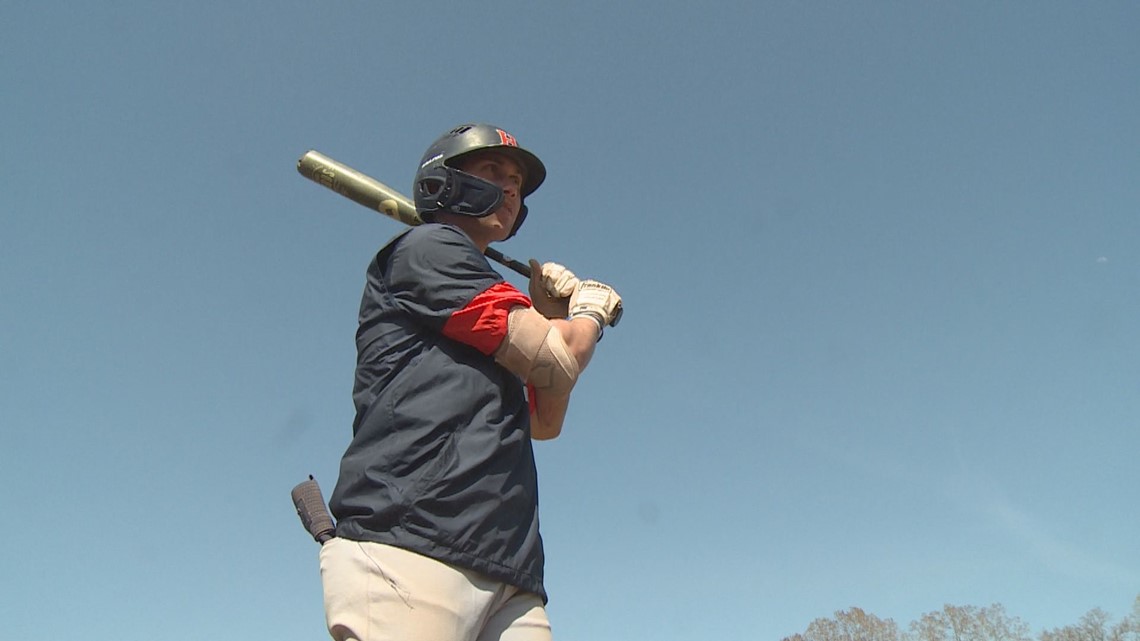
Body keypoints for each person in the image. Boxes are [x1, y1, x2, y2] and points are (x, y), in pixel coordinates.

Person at [319, 123, 623, 641]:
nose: (510, 187)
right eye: (492, 171)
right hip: (411, 541)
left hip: (509, 567)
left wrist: (549, 314)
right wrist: (587, 315)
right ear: (443, 181)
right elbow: (560, 357)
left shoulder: (489, 291)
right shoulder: (429, 248)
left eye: (517, 183)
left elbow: (545, 419)